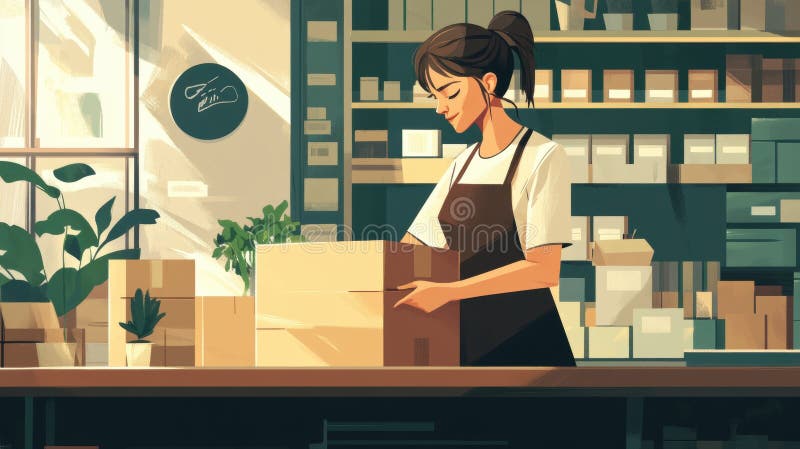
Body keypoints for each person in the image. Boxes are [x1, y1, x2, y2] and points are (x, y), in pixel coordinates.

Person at [394, 10, 576, 367]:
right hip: (467, 348)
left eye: (448, 92)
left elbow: (543, 269)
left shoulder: (542, 157)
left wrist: (449, 293)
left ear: (488, 82)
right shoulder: (462, 165)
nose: (440, 108)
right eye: (435, 97)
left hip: (529, 351)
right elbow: (412, 247)